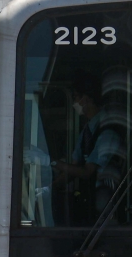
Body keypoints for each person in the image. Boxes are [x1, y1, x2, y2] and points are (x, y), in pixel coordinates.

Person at [52, 72, 126, 218]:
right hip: (89, 200)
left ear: (86, 99)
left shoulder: (108, 131)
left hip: (106, 205)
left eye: (75, 97)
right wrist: (50, 188)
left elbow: (87, 172)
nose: (74, 103)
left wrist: (52, 161)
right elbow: (74, 167)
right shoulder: (87, 129)